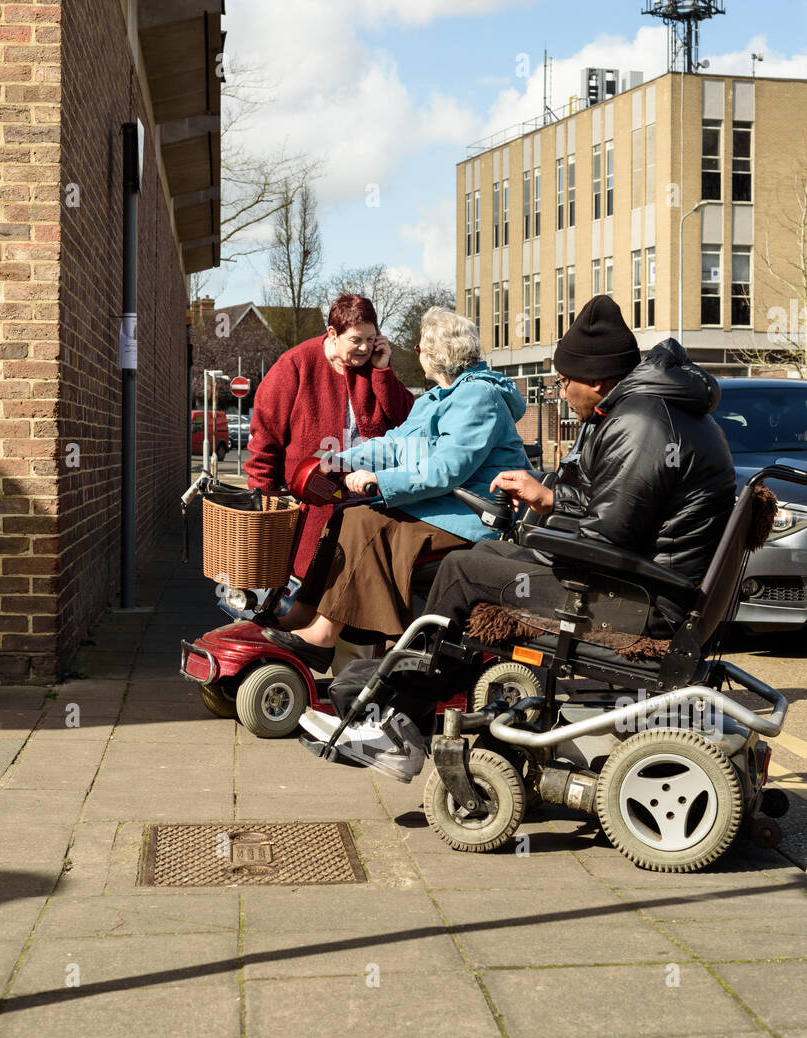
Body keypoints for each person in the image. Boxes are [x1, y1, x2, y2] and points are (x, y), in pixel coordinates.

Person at [301, 294, 737, 780]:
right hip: (646, 587)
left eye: (564, 380)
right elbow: (613, 513)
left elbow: (609, 538)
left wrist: (541, 537)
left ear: (596, 379)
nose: (561, 388)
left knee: (467, 568)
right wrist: (548, 500)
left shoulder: (640, 424)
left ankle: (402, 717)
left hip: (643, 605)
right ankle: (406, 704)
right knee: (487, 554)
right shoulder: (643, 412)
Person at [262, 307, 529, 671]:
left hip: (474, 515)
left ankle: (325, 635)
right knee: (346, 514)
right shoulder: (438, 398)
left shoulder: (478, 398)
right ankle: (306, 614)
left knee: (367, 523)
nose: (416, 351)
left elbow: (447, 470)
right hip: (443, 507)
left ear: (437, 355)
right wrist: (341, 460)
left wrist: (380, 480)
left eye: (420, 347)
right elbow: (394, 444)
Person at [245, 293, 414, 580]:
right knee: (307, 593)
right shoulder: (294, 366)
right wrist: (264, 505)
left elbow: (408, 422)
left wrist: (383, 372)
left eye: (371, 339)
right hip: (311, 510)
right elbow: (264, 442)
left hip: (370, 506)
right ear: (333, 334)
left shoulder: (374, 367)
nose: (364, 348)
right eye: (356, 340)